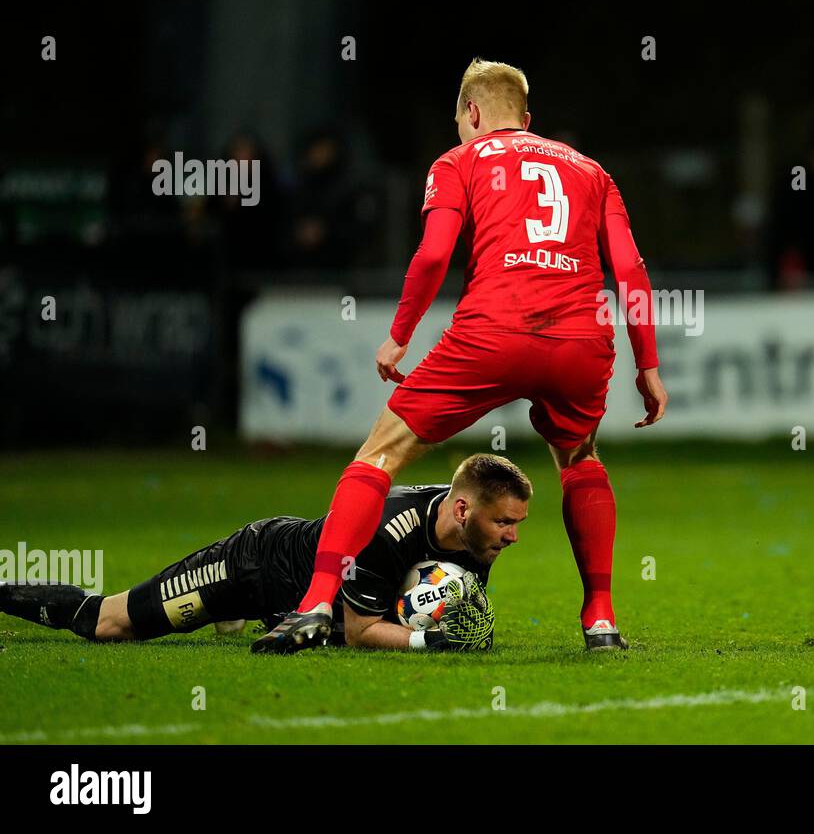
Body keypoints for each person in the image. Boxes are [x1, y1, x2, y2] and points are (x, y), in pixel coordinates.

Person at [253, 59, 667, 654]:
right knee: (579, 459)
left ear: (471, 113)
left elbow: (431, 256)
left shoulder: (459, 160)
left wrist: (400, 334)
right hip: (579, 341)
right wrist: (647, 365)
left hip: (491, 332)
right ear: (528, 119)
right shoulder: (592, 171)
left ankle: (317, 603)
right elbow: (630, 271)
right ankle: (600, 619)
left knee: (379, 454)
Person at [1, 454, 529, 652]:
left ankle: (233, 617)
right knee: (109, 624)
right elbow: (363, 631)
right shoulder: (388, 529)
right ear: (461, 509)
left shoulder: (478, 536)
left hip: (301, 597)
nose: (512, 536)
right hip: (255, 564)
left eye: (516, 523)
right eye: (504, 522)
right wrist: (428, 641)